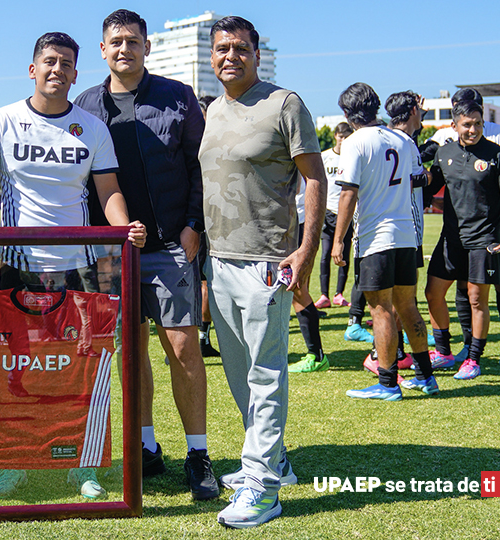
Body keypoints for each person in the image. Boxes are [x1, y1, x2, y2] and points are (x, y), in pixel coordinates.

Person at [0, 32, 145, 500]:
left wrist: (124, 227)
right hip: (20, 266)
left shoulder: (92, 127)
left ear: (77, 74)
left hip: (79, 269)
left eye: (67, 64)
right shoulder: (4, 120)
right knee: (13, 372)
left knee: (78, 371)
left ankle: (82, 464)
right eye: (49, 61)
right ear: (32, 69)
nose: (58, 69)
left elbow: (108, 191)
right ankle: (15, 464)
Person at [74, 9, 217, 500]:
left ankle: (198, 454)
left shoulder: (178, 97)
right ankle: (146, 447)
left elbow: (202, 166)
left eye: (132, 41)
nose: (124, 49)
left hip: (170, 246)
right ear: (102, 50)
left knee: (182, 347)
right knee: (130, 351)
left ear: (147, 47)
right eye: (115, 41)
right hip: (109, 252)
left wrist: (194, 224)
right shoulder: (84, 105)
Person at [199, 16, 325, 528]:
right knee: (237, 373)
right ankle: (272, 460)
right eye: (222, 48)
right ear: (212, 56)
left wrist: (305, 252)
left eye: (241, 48)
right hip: (218, 258)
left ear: (257, 54)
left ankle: (263, 489)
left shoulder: (285, 103)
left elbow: (313, 179)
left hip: (268, 261)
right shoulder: (211, 110)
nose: (231, 56)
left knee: (266, 372)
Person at [332, 83, 436, 401]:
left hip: (376, 237)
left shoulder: (354, 142)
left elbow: (348, 193)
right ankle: (425, 377)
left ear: (348, 114)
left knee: (381, 311)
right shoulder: (404, 140)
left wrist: (338, 242)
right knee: (407, 306)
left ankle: (388, 384)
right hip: (406, 236)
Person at [421, 87, 500, 367]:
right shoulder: (444, 154)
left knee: (478, 298)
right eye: (467, 125)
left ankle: (474, 359)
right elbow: (431, 187)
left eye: (478, 124)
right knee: (432, 293)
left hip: (485, 240)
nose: (473, 129)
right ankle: (443, 352)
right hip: (451, 239)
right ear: (454, 126)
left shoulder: (497, 155)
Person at [286, 176, 329, 373]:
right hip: (292, 223)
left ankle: (316, 354)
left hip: (294, 223)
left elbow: (293, 190)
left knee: (296, 288)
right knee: (295, 288)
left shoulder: (292, 155)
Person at [315, 122, 354, 309]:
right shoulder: (325, 157)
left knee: (344, 255)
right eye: (341, 136)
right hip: (327, 211)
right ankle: (324, 295)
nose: (343, 140)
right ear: (335, 136)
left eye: (347, 137)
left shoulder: (352, 157)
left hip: (346, 214)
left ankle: (339, 294)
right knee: (325, 255)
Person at [197, 95, 219, 358]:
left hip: (213, 220)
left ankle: (200, 337)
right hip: (197, 221)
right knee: (201, 283)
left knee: (204, 283)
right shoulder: (197, 142)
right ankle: (198, 338)